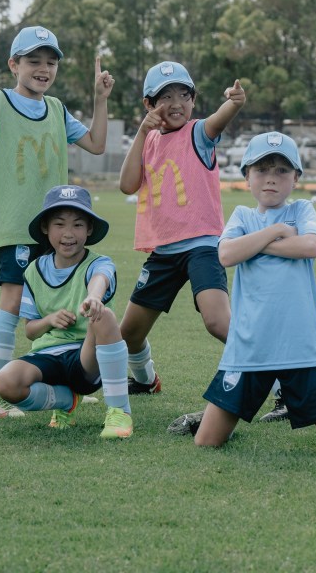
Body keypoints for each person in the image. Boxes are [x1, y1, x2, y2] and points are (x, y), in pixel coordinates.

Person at [0, 27, 113, 419]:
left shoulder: (55, 109)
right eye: (33, 61)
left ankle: (60, 382)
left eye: (50, 62)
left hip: (56, 229)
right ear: (13, 65)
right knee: (12, 305)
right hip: (16, 227)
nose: (43, 69)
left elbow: (97, 144)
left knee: (58, 303)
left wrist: (99, 100)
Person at [172, 132, 316, 451]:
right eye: (261, 170)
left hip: (300, 346)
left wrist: (255, 245)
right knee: (206, 441)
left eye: (281, 171)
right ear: (247, 176)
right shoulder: (243, 216)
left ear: (296, 178)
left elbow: (310, 246)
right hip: (249, 346)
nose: (271, 179)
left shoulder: (302, 210)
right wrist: (274, 232)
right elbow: (227, 255)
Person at [117, 61, 245, 397]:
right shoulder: (148, 142)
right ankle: (145, 380)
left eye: (183, 95)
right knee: (128, 334)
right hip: (163, 252)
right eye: (165, 96)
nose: (176, 103)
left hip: (202, 246)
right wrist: (143, 132)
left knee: (218, 321)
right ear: (148, 104)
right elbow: (127, 185)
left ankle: (281, 384)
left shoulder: (198, 132)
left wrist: (233, 102)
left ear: (193, 100)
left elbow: (219, 119)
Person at [0, 185, 133, 439]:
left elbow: (100, 279)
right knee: (6, 383)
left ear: (89, 230)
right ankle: (65, 401)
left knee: (104, 317)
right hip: (48, 355)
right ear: (46, 227)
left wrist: (93, 297)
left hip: (85, 358)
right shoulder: (33, 271)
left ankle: (119, 412)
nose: (68, 234)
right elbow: (30, 331)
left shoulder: (99, 263)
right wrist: (49, 320)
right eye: (60, 224)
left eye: (78, 225)